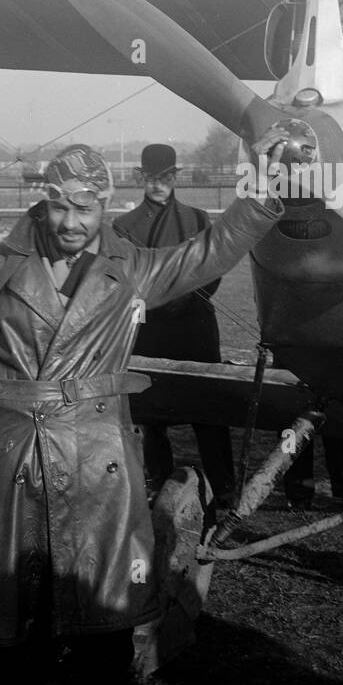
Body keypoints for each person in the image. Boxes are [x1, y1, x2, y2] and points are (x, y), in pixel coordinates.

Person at [0, 138, 284, 685]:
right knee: (11, 610)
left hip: (99, 462)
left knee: (106, 610)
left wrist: (262, 192)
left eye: (85, 208)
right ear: (45, 200)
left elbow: (209, 251)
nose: (70, 222)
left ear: (105, 206)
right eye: (60, 205)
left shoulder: (135, 269)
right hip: (8, 462)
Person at [113, 143, 234, 505]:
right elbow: (126, 278)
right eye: (151, 178)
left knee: (209, 408)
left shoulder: (197, 219)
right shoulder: (124, 226)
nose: (157, 185)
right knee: (151, 413)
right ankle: (158, 479)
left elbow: (212, 267)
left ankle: (224, 487)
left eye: (164, 177)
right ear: (141, 178)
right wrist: (156, 303)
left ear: (175, 177)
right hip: (150, 329)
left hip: (194, 326)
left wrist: (185, 298)